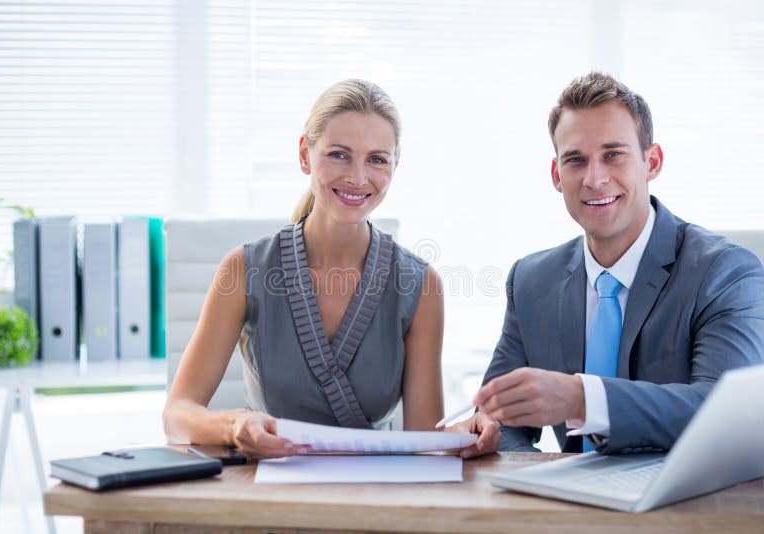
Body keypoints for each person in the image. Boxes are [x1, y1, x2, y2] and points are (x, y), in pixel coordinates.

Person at [163, 79, 499, 459]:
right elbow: (177, 414)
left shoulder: (420, 286)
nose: (357, 177)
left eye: (377, 159)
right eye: (339, 154)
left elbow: (423, 436)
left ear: (394, 167)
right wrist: (235, 424)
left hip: (374, 490)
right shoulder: (243, 270)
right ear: (305, 154)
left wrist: (464, 433)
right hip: (268, 486)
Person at [471, 72, 764, 454]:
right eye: (576, 160)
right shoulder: (530, 281)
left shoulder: (725, 272)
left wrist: (583, 399)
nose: (594, 178)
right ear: (557, 176)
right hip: (569, 507)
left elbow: (727, 415)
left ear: (652, 162)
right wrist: (541, 479)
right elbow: (498, 419)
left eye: (613, 155)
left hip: (682, 503)